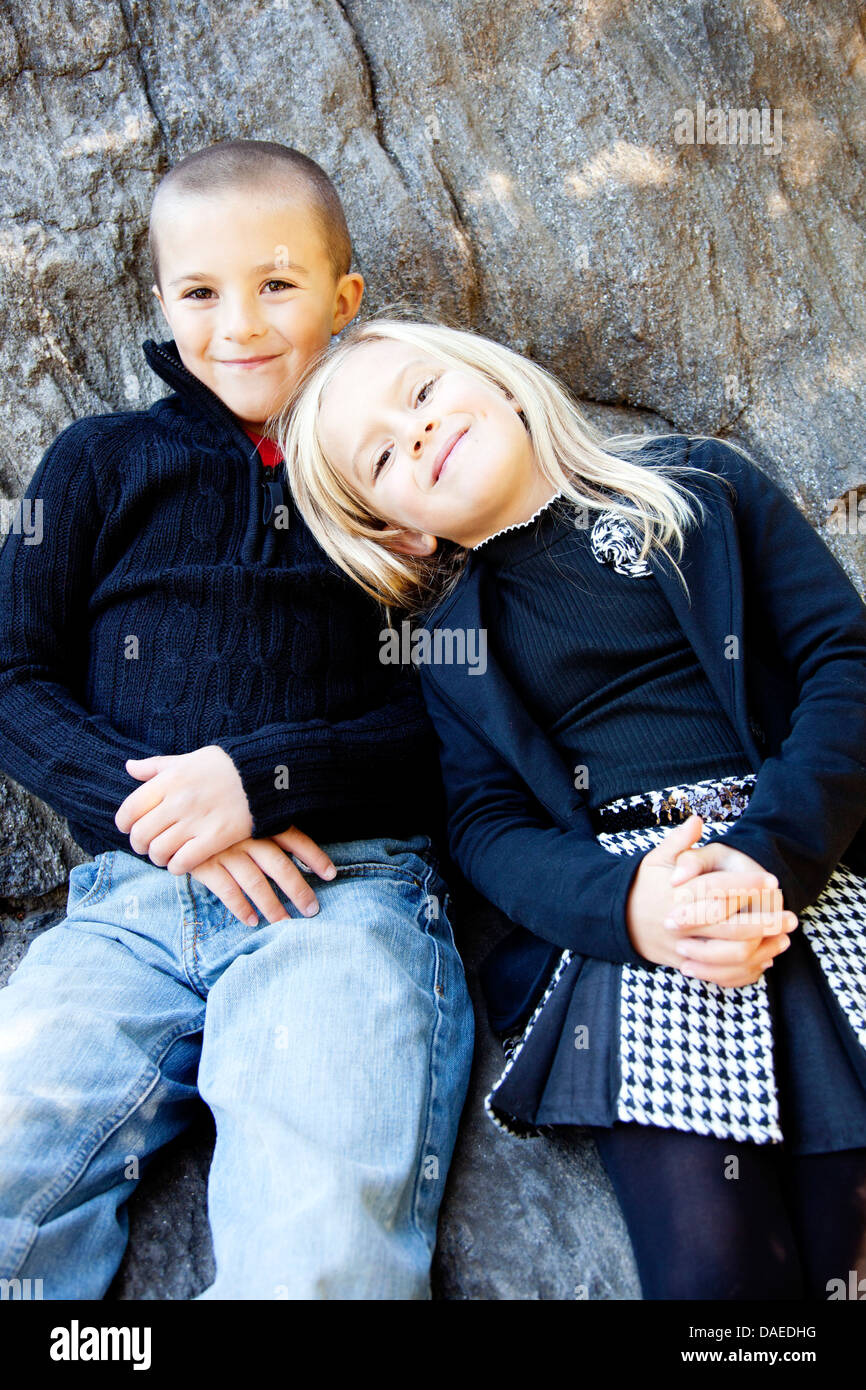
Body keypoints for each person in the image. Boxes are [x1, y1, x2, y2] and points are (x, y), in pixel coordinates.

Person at [280, 316, 866, 1300]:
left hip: (803, 862)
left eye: (422, 395)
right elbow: (483, 827)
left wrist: (770, 850)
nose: (415, 432)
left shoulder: (701, 490)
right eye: (382, 452)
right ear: (403, 530)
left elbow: (841, 662)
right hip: (637, 925)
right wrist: (627, 905)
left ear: (499, 383)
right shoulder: (451, 641)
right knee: (712, 1270)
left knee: (844, 1234)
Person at [0, 151, 473, 1300]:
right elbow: (10, 670)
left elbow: (458, 711)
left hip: (342, 899)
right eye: (200, 292)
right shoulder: (101, 460)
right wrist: (169, 813)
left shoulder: (391, 469)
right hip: (127, 911)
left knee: (318, 1243)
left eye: (277, 285)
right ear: (162, 302)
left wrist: (260, 781)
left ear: (343, 299)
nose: (240, 325)